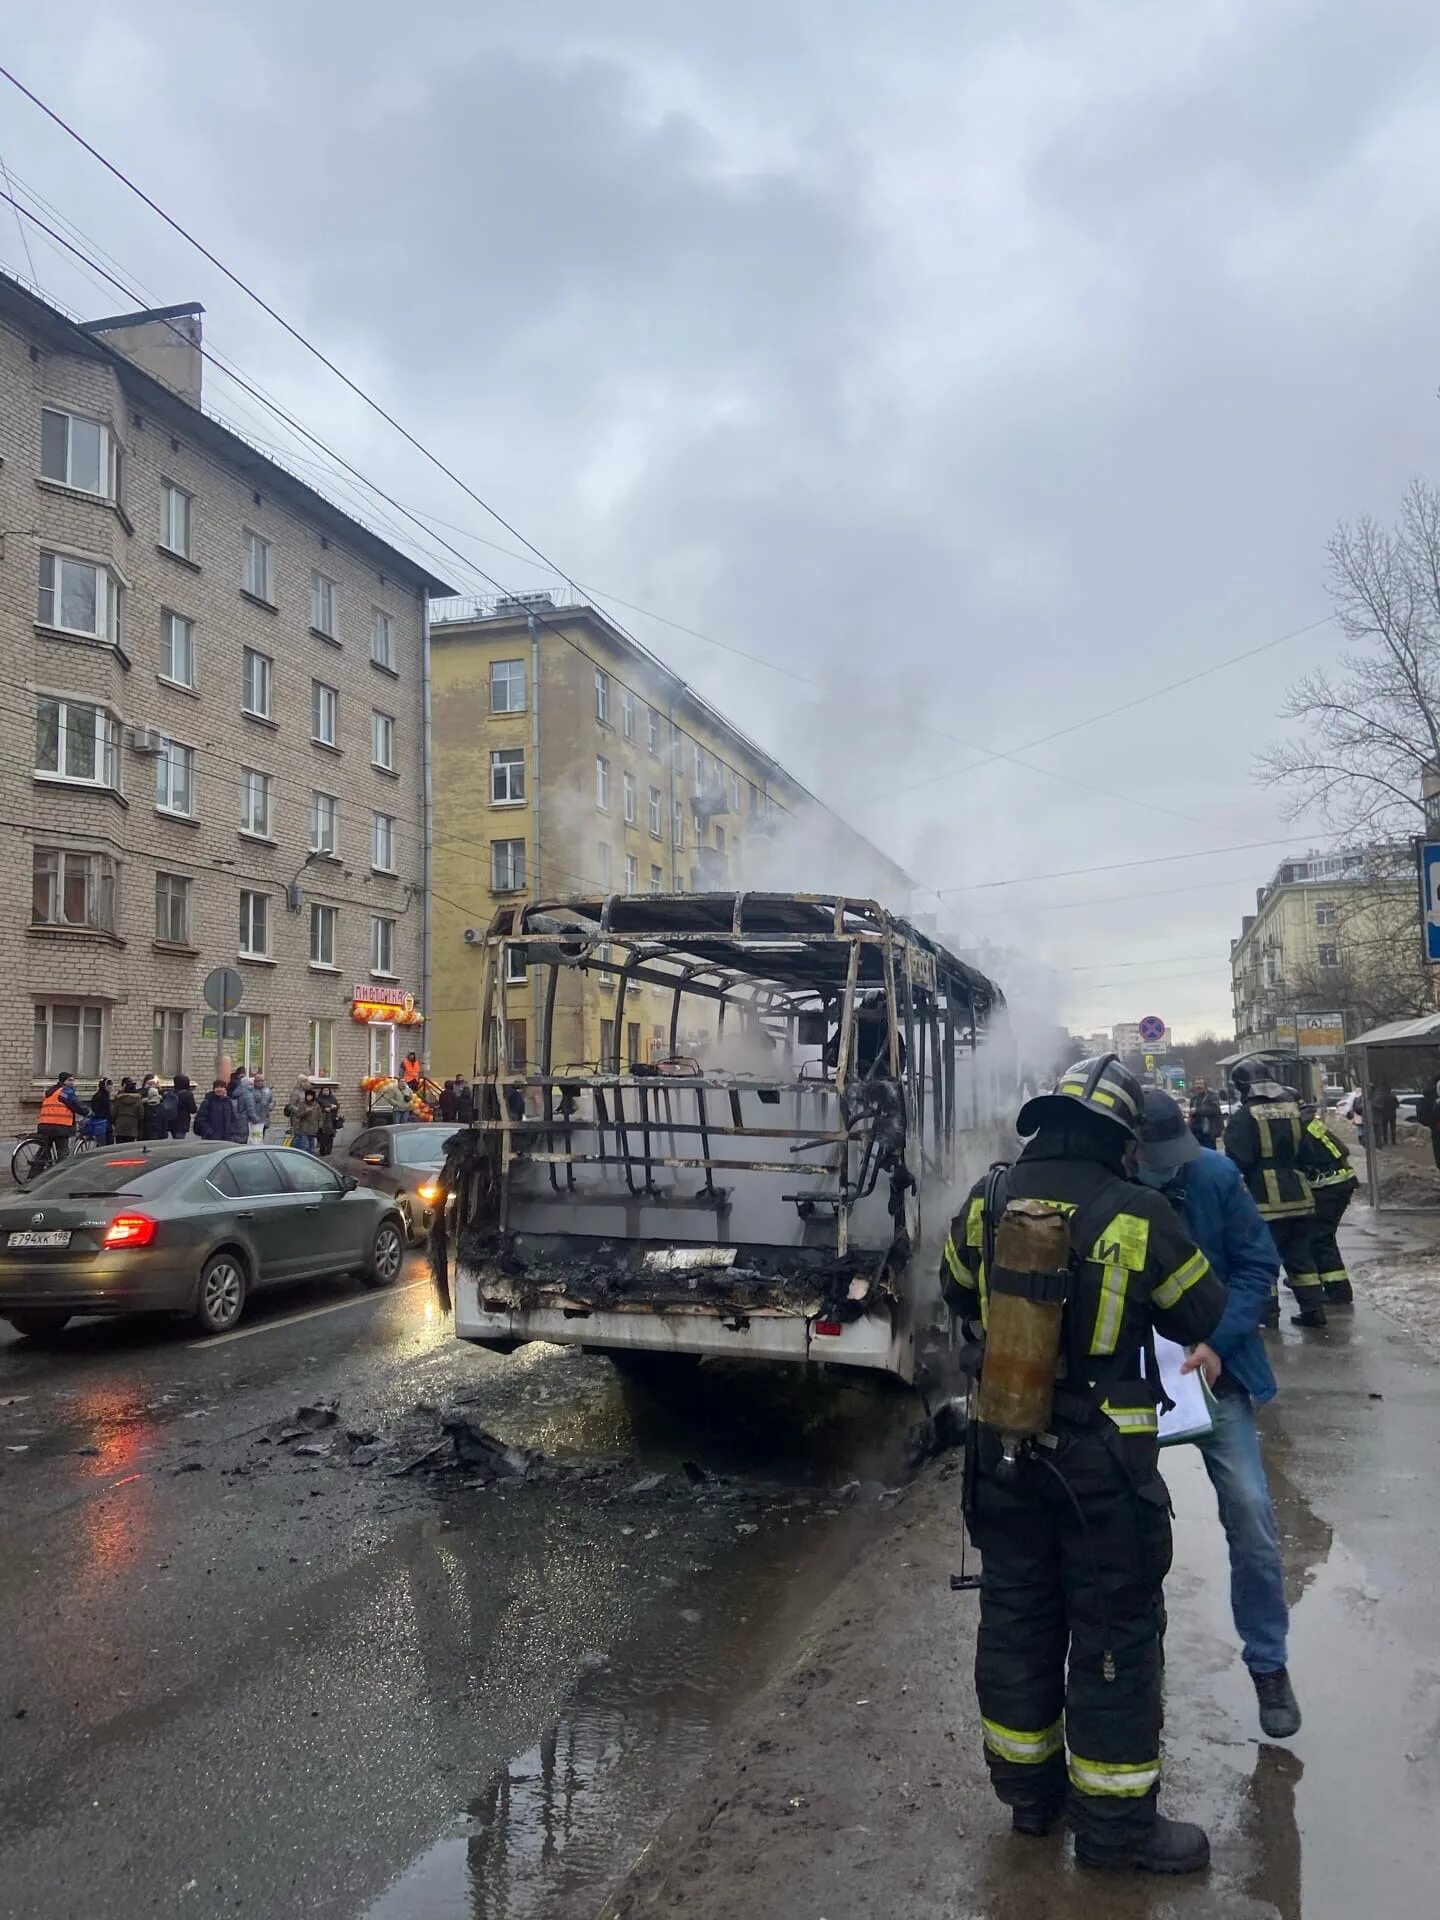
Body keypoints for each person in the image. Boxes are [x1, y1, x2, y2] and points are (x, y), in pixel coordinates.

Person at [941, 1054, 1226, 1875]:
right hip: (1102, 1472)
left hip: (1002, 1456)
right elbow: (1200, 1311)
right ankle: (1114, 1832)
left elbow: (955, 1289)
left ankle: (1030, 1801)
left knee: (1017, 1622)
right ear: (1121, 1139)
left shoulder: (988, 1198)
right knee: (1113, 1642)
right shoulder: (1137, 1211)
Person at [1134, 1089, 1301, 1741]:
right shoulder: (1110, 1185)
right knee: (1125, 1523)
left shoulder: (1214, 1176)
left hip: (1217, 1372)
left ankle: (1269, 1664)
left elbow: (1258, 1265)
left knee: (1252, 1516)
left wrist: (1217, 1344)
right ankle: (1138, 1656)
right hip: (1134, 1382)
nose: (1169, 1166)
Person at [1224, 1058, 1324, 1328]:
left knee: (1264, 1258)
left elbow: (1238, 1159)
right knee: (1301, 1258)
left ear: (1242, 1086)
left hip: (1265, 1199)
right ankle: (1314, 1310)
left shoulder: (1244, 1116)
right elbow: (1309, 1152)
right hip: (1300, 1194)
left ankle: (1267, 1314)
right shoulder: (1293, 1110)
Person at [1301, 1103, 1359, 1306]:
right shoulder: (1310, 1122)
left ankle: (1338, 1291)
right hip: (1340, 1183)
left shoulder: (1299, 1126)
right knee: (1318, 1236)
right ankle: (1320, 1281)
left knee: (1320, 1238)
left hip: (1329, 1187)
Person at [34, 1071, 82, 1171]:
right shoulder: (65, 1092)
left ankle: (34, 1174)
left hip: (44, 1125)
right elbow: (77, 1106)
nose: (72, 1083)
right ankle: (60, 1174)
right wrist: (89, 1113)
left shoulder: (50, 1092)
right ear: (63, 1081)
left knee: (43, 1152)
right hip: (60, 1127)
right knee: (63, 1154)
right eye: (70, 1080)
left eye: (73, 1080)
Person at [289, 1086, 323, 1153]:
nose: (309, 1097)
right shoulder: (302, 1104)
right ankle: (303, 1157)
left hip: (313, 1130)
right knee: (305, 1146)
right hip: (304, 1130)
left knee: (312, 1147)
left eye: (311, 1096)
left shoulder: (316, 1105)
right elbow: (298, 1115)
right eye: (308, 1096)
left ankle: (310, 1158)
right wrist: (306, 1112)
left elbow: (320, 1117)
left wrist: (320, 1126)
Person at [111, 1076, 145, 1143]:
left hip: (120, 1127)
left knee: (119, 1146)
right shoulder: (138, 1100)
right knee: (129, 1146)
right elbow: (141, 1115)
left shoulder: (119, 1099)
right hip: (132, 1128)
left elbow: (113, 1113)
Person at [315, 1085, 341, 1157]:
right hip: (323, 1120)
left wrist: (335, 1107)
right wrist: (324, 1109)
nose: (326, 1092)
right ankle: (323, 1150)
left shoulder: (332, 1097)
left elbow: (337, 1105)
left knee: (330, 1135)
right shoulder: (318, 1099)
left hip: (331, 1119)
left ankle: (329, 1150)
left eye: (327, 1090)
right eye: (324, 1090)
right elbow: (316, 1108)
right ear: (322, 1091)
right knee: (323, 1136)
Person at [140, 1076, 168, 1141]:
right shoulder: (142, 1091)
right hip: (146, 1121)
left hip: (158, 1124)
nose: (151, 1084)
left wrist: (159, 1089)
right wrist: (145, 1088)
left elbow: (164, 1099)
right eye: (149, 1082)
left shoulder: (158, 1093)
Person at [170, 1074, 197, 1139]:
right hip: (182, 1122)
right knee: (179, 1141)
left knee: (174, 1139)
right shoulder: (187, 1094)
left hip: (171, 1121)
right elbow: (193, 1110)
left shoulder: (171, 1093)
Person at [89, 1077, 114, 1145]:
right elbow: (96, 1109)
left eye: (111, 1084)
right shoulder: (101, 1096)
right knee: (105, 1143)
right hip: (102, 1123)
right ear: (103, 1086)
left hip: (105, 1123)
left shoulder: (105, 1095)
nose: (110, 1087)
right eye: (108, 1085)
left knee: (105, 1142)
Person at [1374, 1084, 1399, 1149]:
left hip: (1384, 1115)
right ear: (1390, 1090)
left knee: (1384, 1129)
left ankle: (1385, 1141)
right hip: (1392, 1115)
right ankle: (1393, 1141)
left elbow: (1380, 1106)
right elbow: (1397, 1105)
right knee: (1393, 1128)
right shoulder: (1393, 1097)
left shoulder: (1382, 1097)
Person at [251, 1074, 274, 1139]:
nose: (261, 1082)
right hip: (255, 1121)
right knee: (256, 1139)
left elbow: (271, 1101)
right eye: (259, 1081)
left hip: (265, 1120)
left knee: (262, 1138)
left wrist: (270, 1106)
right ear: (255, 1081)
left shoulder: (268, 1091)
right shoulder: (251, 1091)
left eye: (262, 1081)